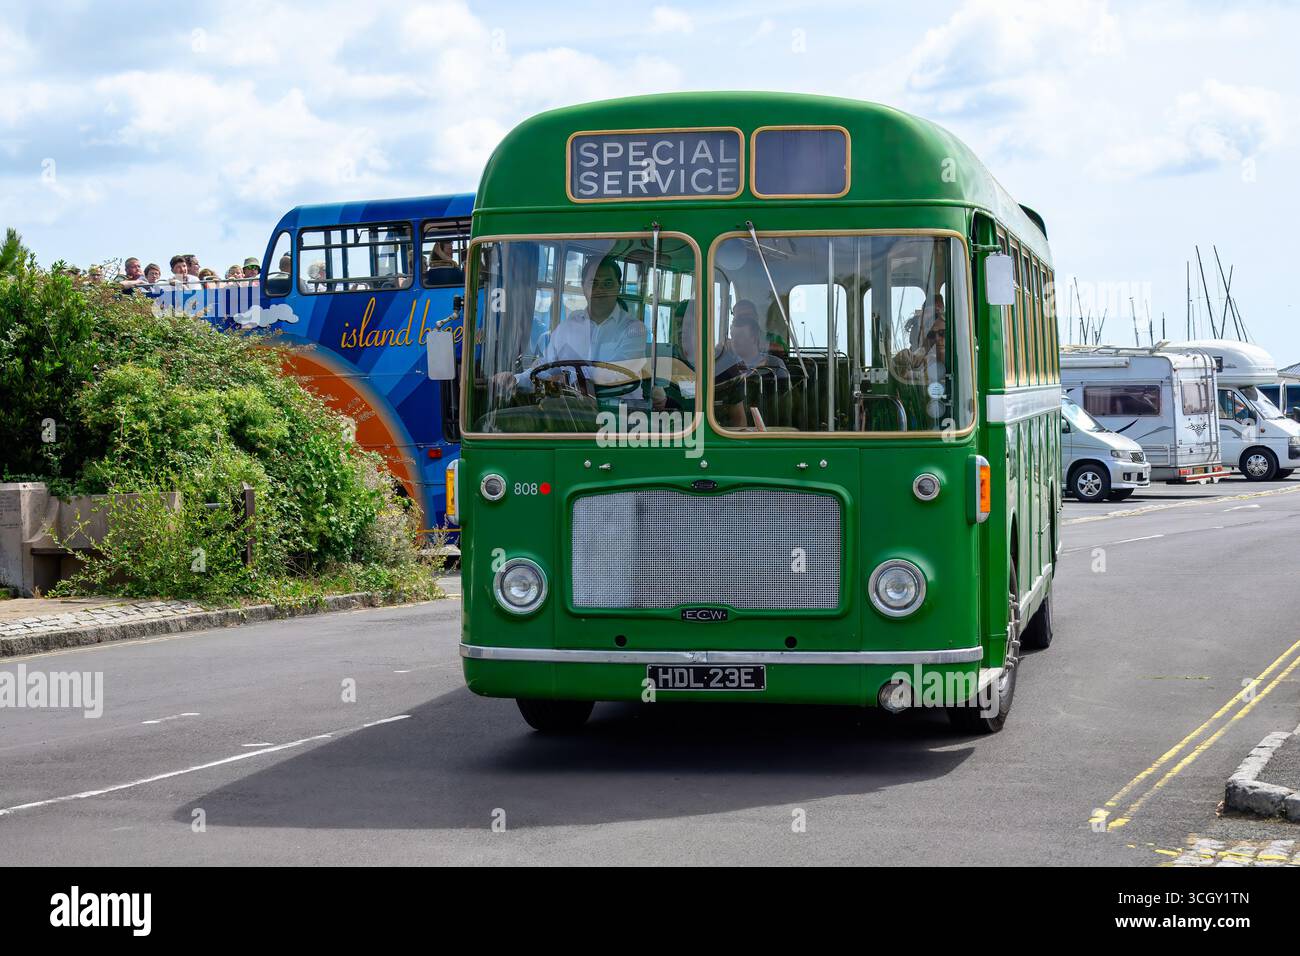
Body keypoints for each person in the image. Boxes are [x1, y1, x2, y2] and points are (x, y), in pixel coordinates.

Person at [496, 254, 645, 397]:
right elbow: (545, 366)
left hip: (620, 413)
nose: (600, 290)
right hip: (574, 414)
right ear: (583, 287)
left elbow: (618, 375)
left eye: (608, 283)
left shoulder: (633, 329)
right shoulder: (568, 327)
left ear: (618, 287)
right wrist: (515, 380)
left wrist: (566, 378)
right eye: (594, 283)